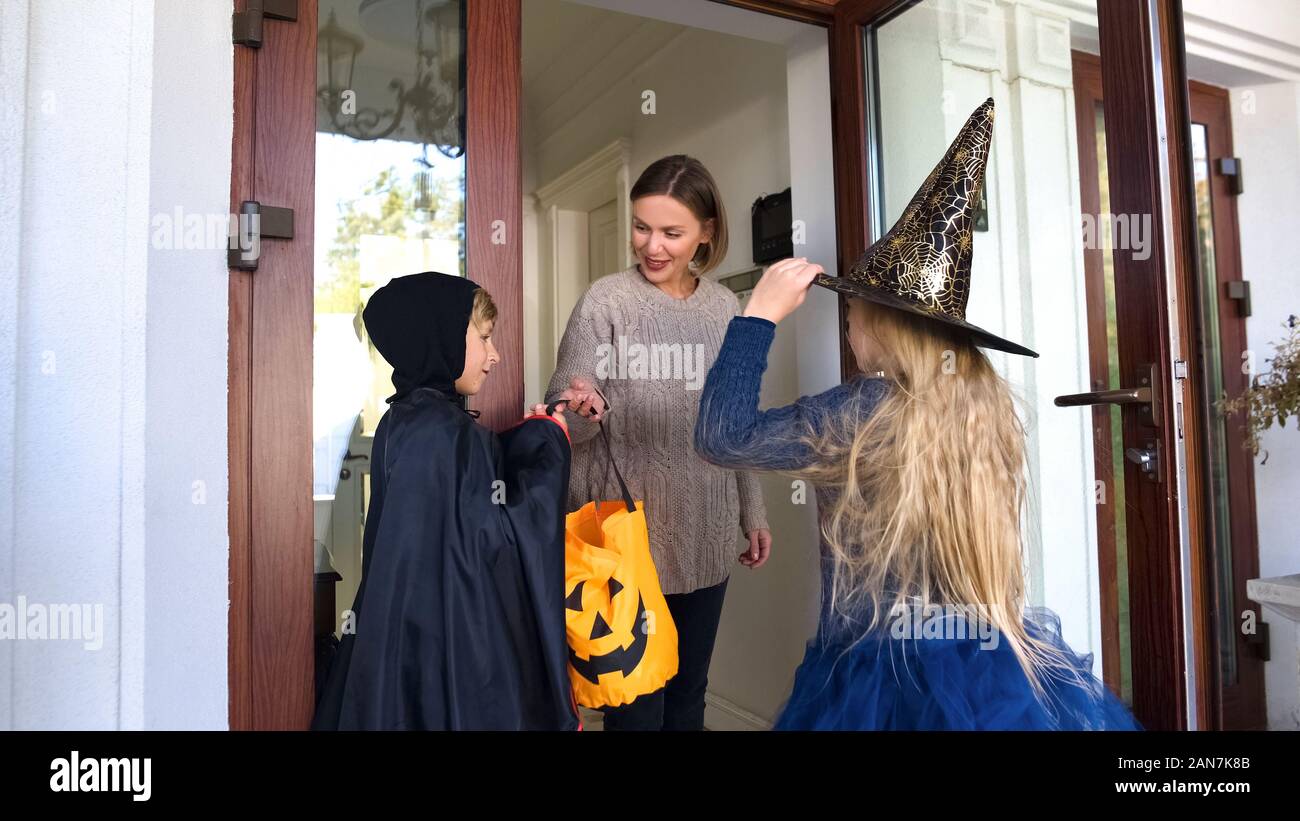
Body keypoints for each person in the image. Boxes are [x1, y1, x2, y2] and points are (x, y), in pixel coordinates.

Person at [694, 99, 1140, 730]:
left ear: (877, 322)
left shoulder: (860, 414)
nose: (849, 330)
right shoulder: (986, 405)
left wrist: (756, 317)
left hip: (874, 673)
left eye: (852, 314)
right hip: (986, 658)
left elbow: (720, 438)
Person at [547, 155, 770, 731]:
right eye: (642, 227)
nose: (652, 246)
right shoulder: (606, 301)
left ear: (706, 233)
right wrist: (583, 409)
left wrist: (754, 510)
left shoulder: (724, 308)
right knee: (635, 705)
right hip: (625, 542)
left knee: (689, 695)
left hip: (708, 524)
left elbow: (736, 419)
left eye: (672, 232)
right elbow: (561, 412)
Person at [313, 271, 579, 731]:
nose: (494, 355)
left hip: (401, 643)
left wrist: (530, 438)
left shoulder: (404, 421)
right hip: (454, 654)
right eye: (484, 337)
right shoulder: (447, 434)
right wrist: (550, 447)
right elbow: (499, 542)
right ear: (441, 337)